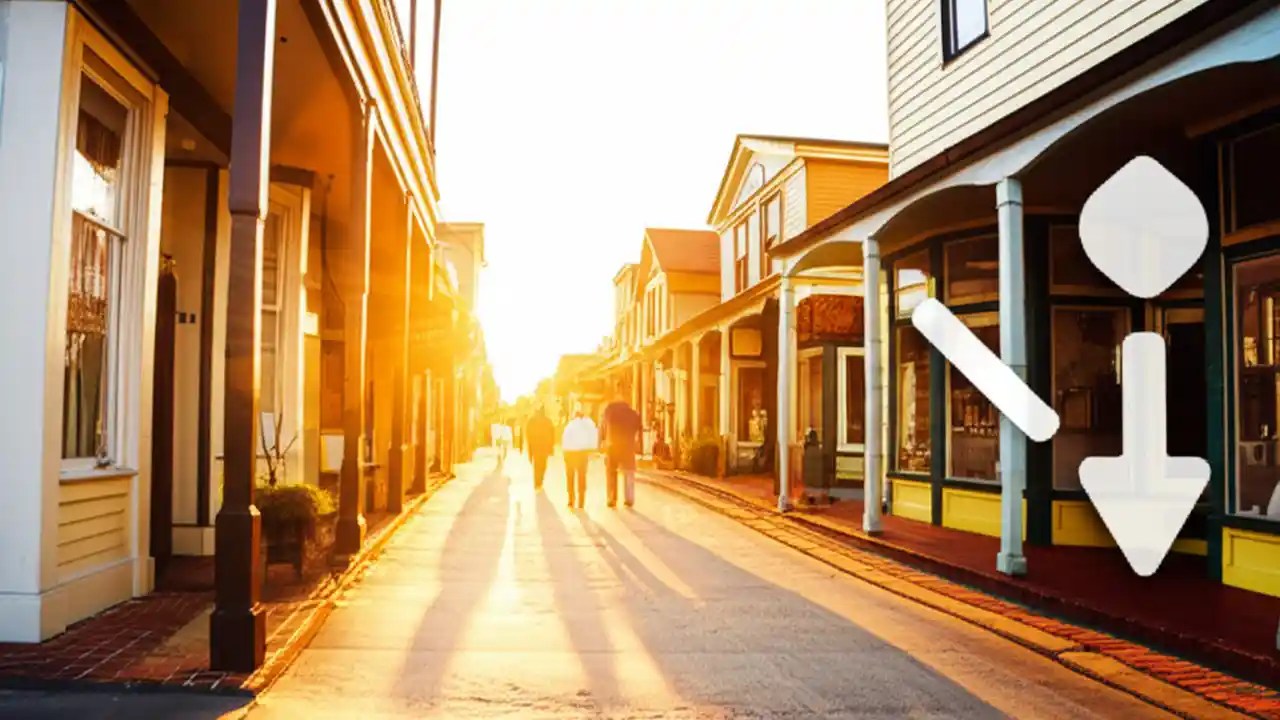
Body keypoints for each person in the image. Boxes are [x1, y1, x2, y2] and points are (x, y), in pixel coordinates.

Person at [599, 385, 642, 508]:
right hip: (628, 446)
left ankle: (612, 498)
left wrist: (602, 442)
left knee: (611, 472)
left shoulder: (608, 410)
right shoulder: (633, 413)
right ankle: (629, 498)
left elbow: (603, 427)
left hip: (612, 445)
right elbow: (638, 429)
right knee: (628, 472)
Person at [561, 404, 597, 509]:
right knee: (582, 477)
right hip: (582, 453)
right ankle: (581, 501)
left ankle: (571, 500)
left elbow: (565, 440)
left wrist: (565, 453)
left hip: (570, 453)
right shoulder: (587, 425)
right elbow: (592, 438)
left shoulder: (570, 425)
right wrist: (592, 451)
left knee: (570, 477)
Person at [525, 407, 555, 492]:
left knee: (538, 465)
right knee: (542, 465)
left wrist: (529, 449)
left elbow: (527, 435)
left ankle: (538, 483)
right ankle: (539, 482)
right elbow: (552, 434)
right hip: (541, 447)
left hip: (538, 447)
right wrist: (551, 447)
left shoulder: (534, 421)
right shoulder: (544, 421)